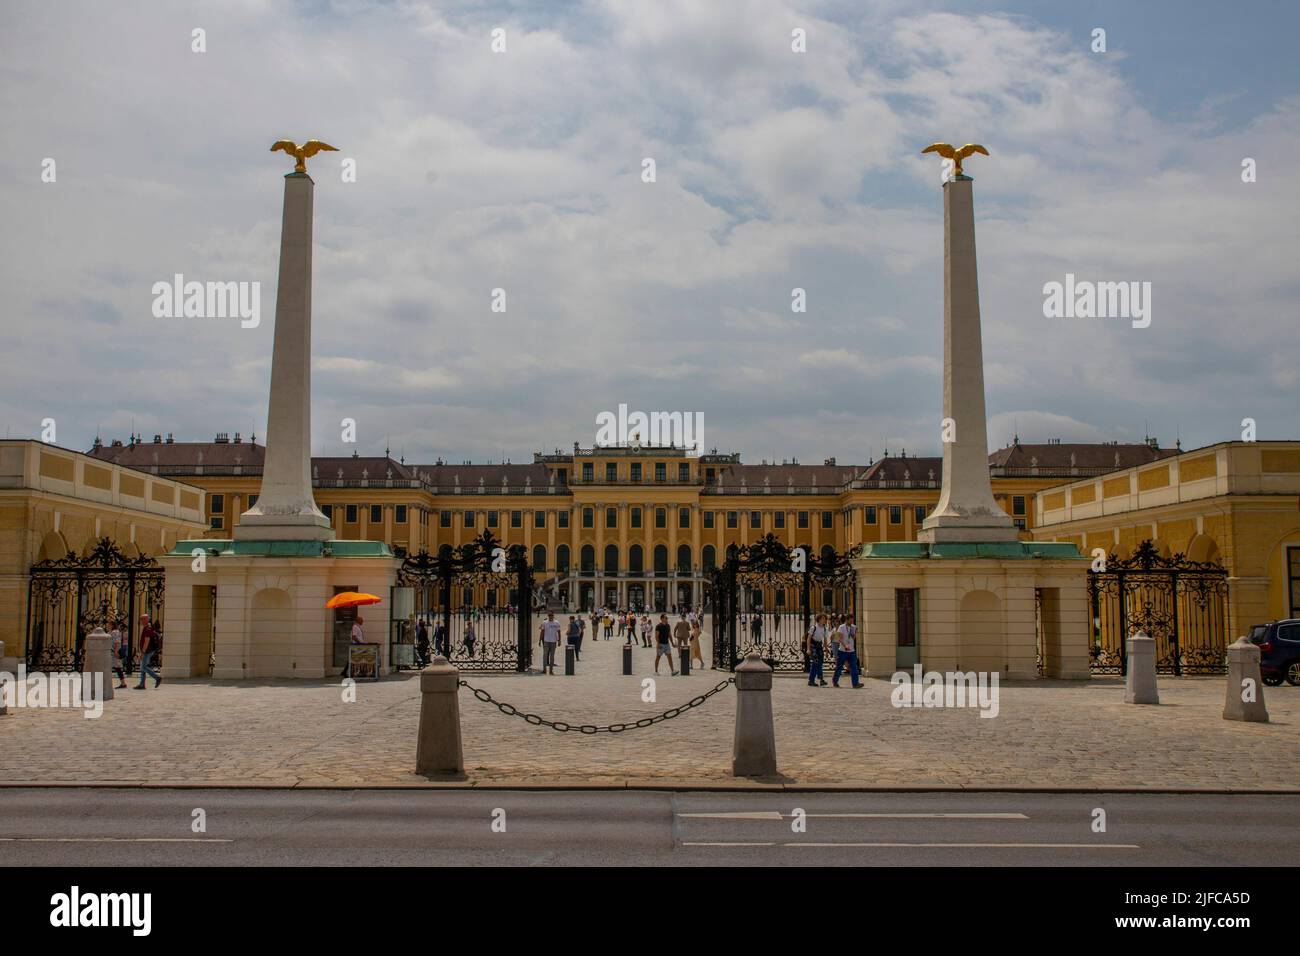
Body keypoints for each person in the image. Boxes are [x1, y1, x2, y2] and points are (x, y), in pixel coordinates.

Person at [832, 614, 863, 688]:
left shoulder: (853, 627)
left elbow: (853, 638)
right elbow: (837, 638)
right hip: (842, 651)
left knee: (854, 667)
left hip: (851, 651)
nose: (852, 621)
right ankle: (835, 681)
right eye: (850, 620)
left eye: (852, 620)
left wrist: (854, 631)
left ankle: (855, 684)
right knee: (839, 667)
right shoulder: (841, 627)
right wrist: (844, 645)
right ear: (847, 620)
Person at [134, 614, 162, 689]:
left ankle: (157, 677)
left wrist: (142, 653)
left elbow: (146, 641)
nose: (141, 621)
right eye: (140, 619)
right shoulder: (147, 628)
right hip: (147, 650)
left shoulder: (148, 629)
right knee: (143, 667)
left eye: (142, 619)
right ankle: (142, 684)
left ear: (147, 619)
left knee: (143, 667)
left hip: (148, 651)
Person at [806, 613, 828, 687]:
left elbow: (825, 640)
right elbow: (808, 639)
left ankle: (821, 679)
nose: (824, 620)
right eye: (823, 619)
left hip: (819, 646)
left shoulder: (825, 628)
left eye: (825, 619)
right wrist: (808, 649)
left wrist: (826, 649)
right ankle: (811, 680)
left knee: (820, 664)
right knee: (815, 663)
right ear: (819, 620)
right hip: (813, 646)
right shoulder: (813, 628)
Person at [109, 618, 128, 688]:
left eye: (109, 624)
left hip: (114, 652)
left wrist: (116, 652)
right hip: (112, 652)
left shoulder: (115, 632)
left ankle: (123, 683)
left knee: (116, 667)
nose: (108, 626)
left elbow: (117, 642)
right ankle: (123, 683)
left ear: (112, 625)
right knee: (117, 668)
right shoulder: (113, 632)